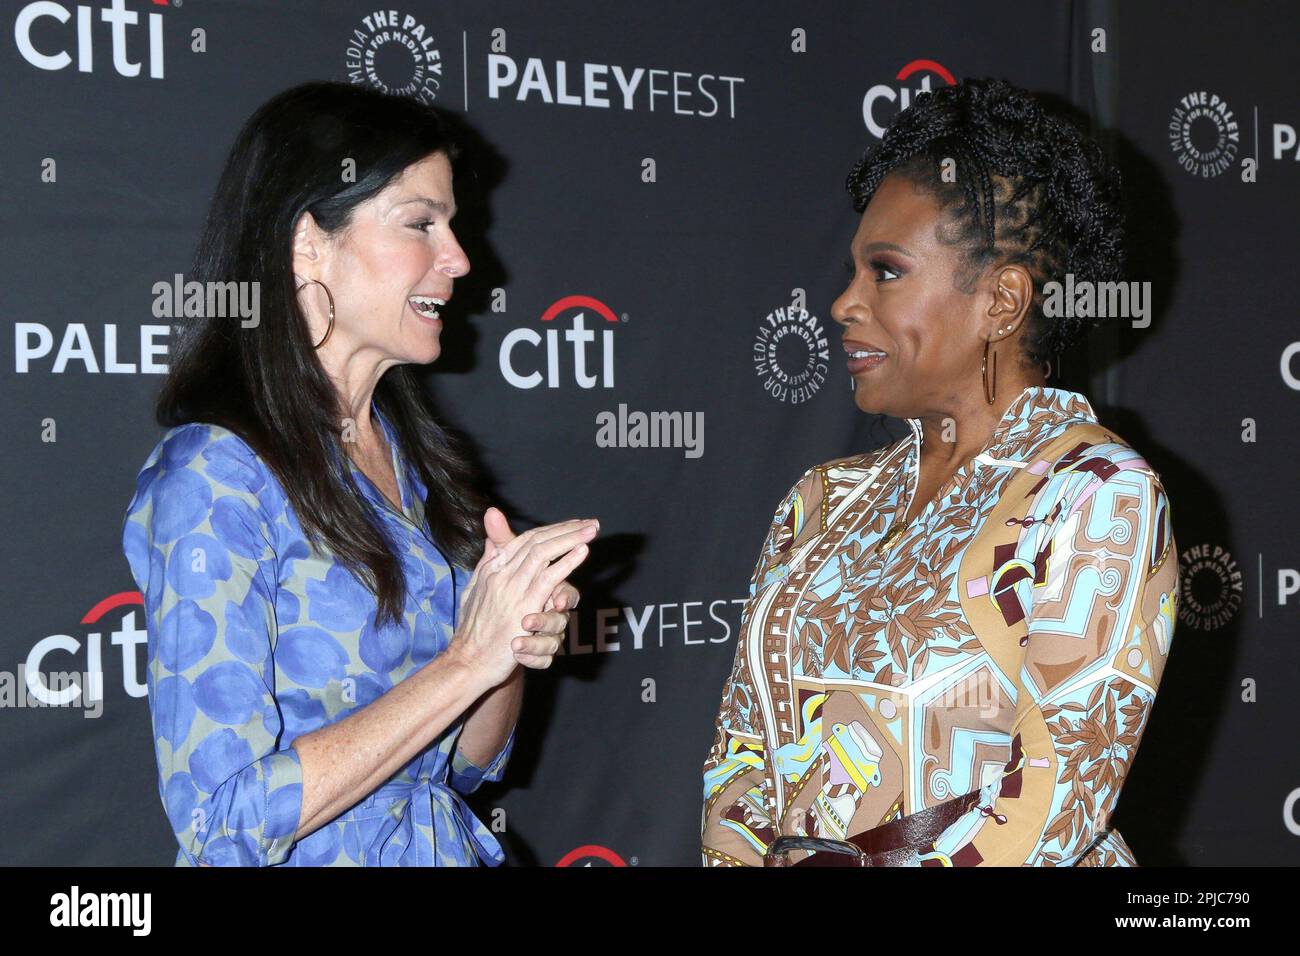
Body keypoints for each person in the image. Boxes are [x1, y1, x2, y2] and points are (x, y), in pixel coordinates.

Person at [701, 77, 1179, 867]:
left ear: (1002, 301)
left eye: (884, 271)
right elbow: (740, 753)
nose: (843, 303)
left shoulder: (1094, 493)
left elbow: (1056, 804)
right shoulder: (818, 500)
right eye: (853, 272)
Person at [121, 81, 597, 867]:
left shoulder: (412, 462)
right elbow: (221, 820)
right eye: (420, 223)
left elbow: (468, 764)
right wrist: (464, 660)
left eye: (451, 224)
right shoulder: (213, 477)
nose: (460, 259)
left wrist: (506, 642)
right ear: (308, 240)